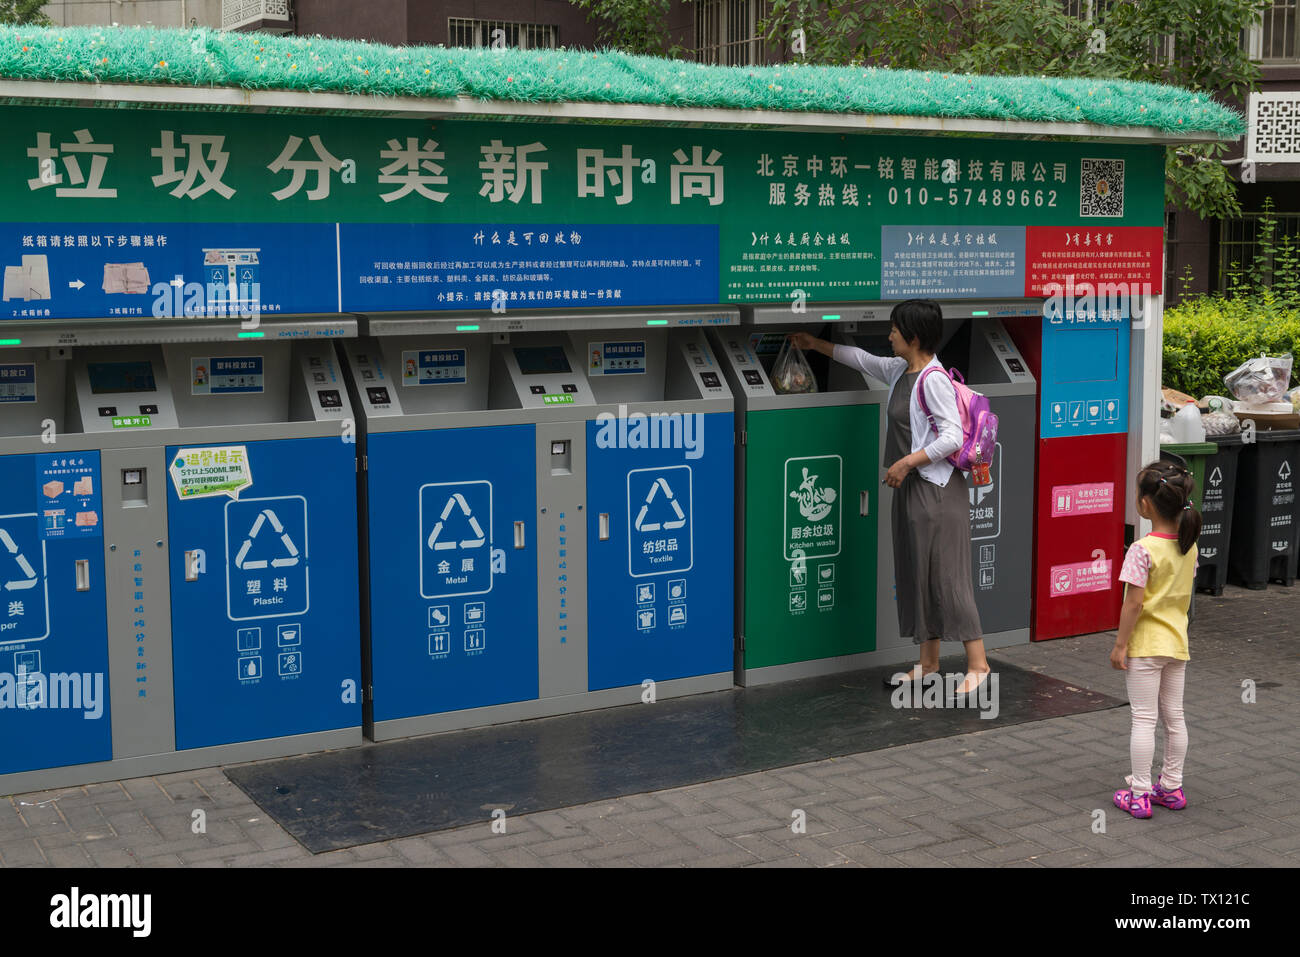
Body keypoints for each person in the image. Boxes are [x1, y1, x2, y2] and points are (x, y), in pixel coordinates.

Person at [790, 298, 989, 698]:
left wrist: (904, 464)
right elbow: (861, 358)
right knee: (918, 574)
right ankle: (929, 664)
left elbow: (951, 435)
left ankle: (978, 664)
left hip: (936, 490)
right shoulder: (901, 370)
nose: (889, 335)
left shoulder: (932, 379)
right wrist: (814, 344)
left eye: (895, 329)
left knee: (948, 577)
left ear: (913, 337)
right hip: (914, 490)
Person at [1110, 461, 1201, 819]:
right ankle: (1172, 788)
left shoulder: (1141, 549)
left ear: (1145, 503)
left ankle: (1139, 793)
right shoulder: (1188, 547)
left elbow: (1133, 603)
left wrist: (1120, 645)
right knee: (1174, 718)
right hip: (1177, 645)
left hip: (1146, 647)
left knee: (1144, 719)